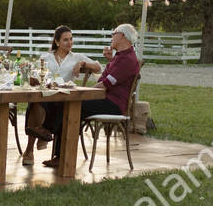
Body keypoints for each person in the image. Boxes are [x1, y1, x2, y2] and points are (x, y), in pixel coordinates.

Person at [44, 23, 141, 167]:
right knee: (69, 104)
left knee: (73, 105)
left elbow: (106, 83)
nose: (111, 37)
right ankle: (58, 150)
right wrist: (110, 60)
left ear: (122, 36)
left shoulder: (127, 60)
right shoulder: (120, 57)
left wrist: (84, 93)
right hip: (106, 99)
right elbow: (104, 78)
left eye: (113, 34)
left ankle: (53, 139)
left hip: (114, 105)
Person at [21, 25, 100, 165]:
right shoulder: (46, 56)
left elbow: (98, 67)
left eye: (71, 39)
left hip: (64, 97)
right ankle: (38, 137)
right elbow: (35, 72)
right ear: (57, 42)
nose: (69, 42)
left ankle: (37, 139)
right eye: (65, 40)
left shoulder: (76, 57)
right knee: (35, 102)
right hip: (46, 93)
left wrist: (82, 63)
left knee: (38, 104)